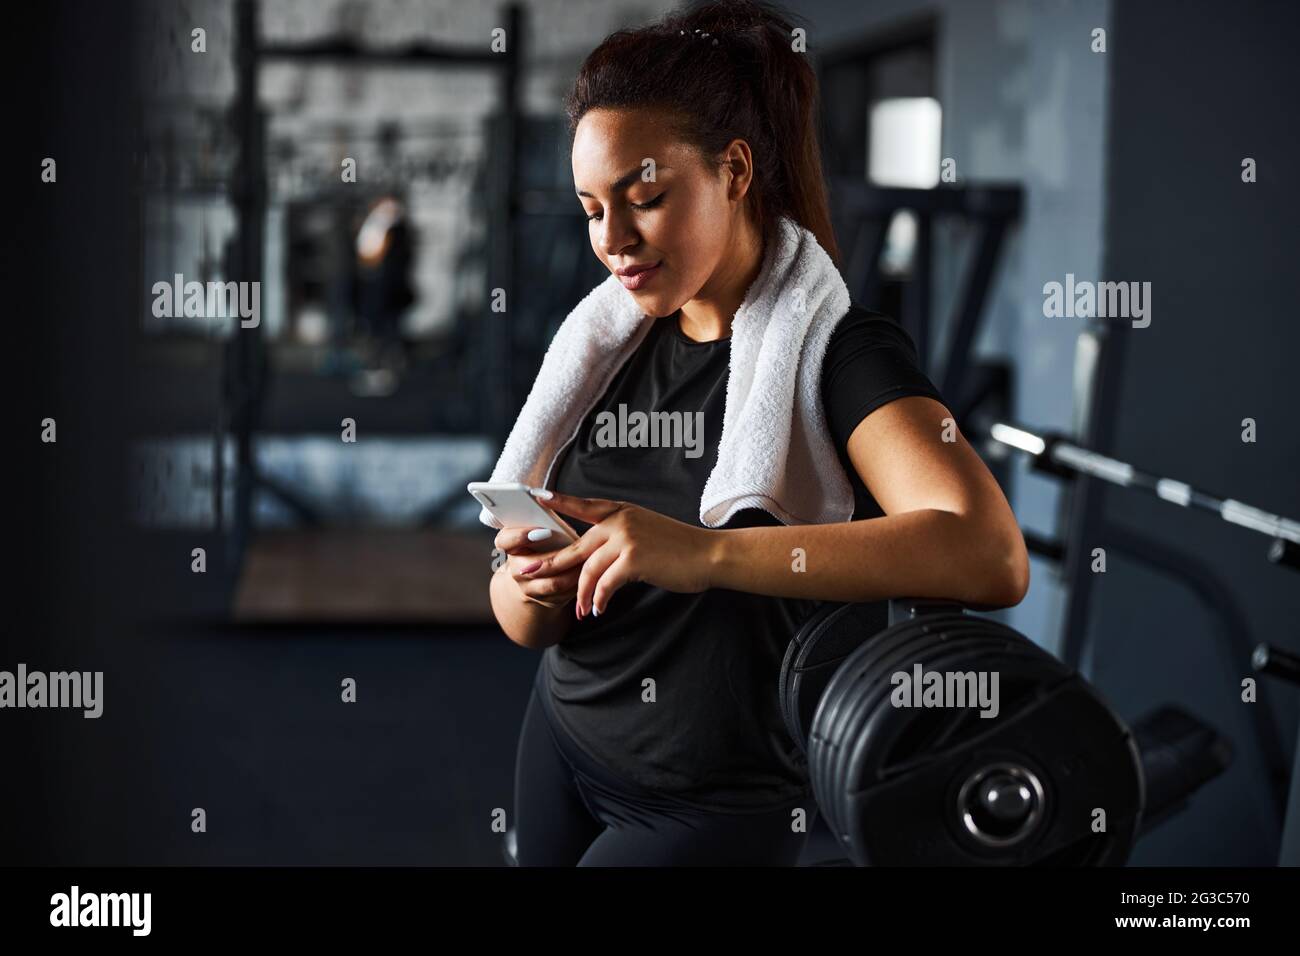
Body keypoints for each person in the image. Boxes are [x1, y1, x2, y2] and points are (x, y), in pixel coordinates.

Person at [488, 0, 1029, 866]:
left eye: (646, 198)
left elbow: (988, 554)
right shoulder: (607, 341)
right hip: (561, 740)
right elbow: (522, 620)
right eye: (592, 209)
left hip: (711, 802)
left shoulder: (840, 354)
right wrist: (536, 587)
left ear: (734, 171)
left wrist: (702, 554)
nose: (613, 241)